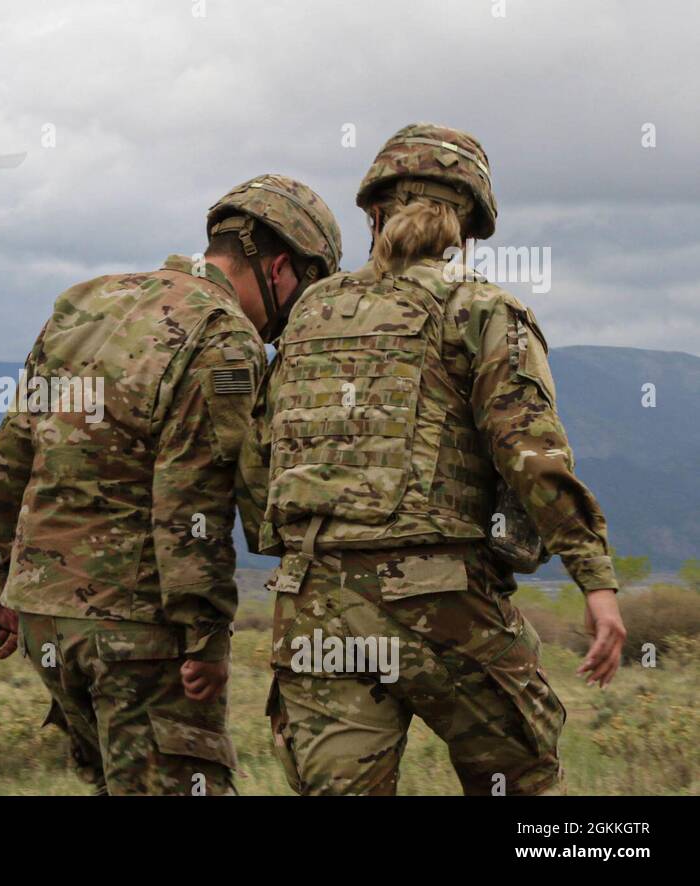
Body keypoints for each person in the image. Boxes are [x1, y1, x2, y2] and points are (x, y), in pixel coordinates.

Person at [236, 123, 627, 796]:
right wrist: (596, 580)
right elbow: (528, 453)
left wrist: (291, 547)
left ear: (373, 212)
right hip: (442, 599)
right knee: (523, 780)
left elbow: (255, 455)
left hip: (314, 604)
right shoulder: (480, 309)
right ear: (465, 226)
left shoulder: (308, 316)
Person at [0, 175, 342, 795]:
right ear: (282, 268)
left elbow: (13, 452)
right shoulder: (224, 337)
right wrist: (204, 636)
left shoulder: (85, 302)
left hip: (45, 620)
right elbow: (191, 500)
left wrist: (4, 582)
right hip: (137, 630)